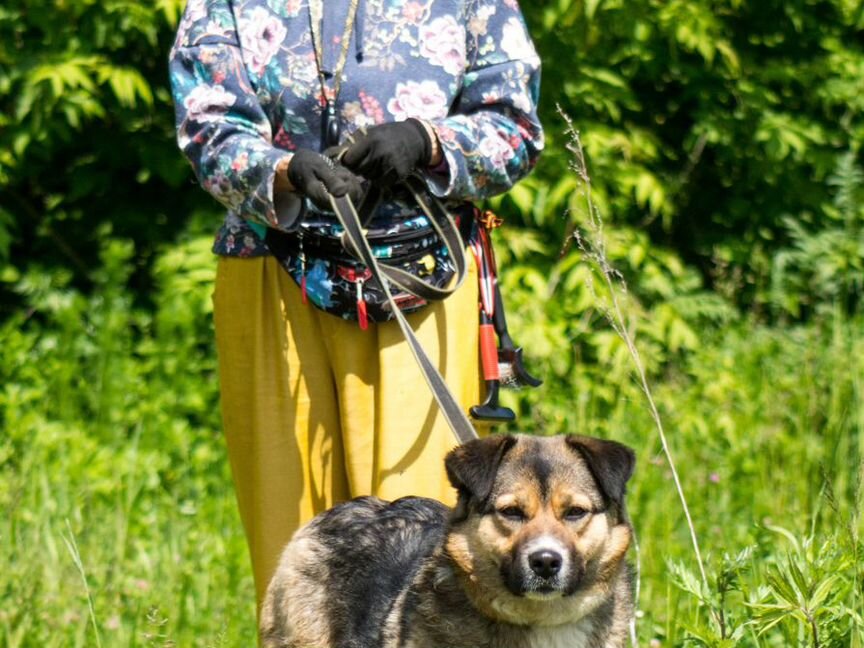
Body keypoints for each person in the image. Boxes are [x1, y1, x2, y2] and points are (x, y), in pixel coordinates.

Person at [169, 0, 543, 610]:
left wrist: (427, 141)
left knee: (424, 550)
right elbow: (207, 125)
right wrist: (283, 170)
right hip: (273, 278)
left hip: (425, 287)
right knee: (291, 552)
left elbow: (516, 125)